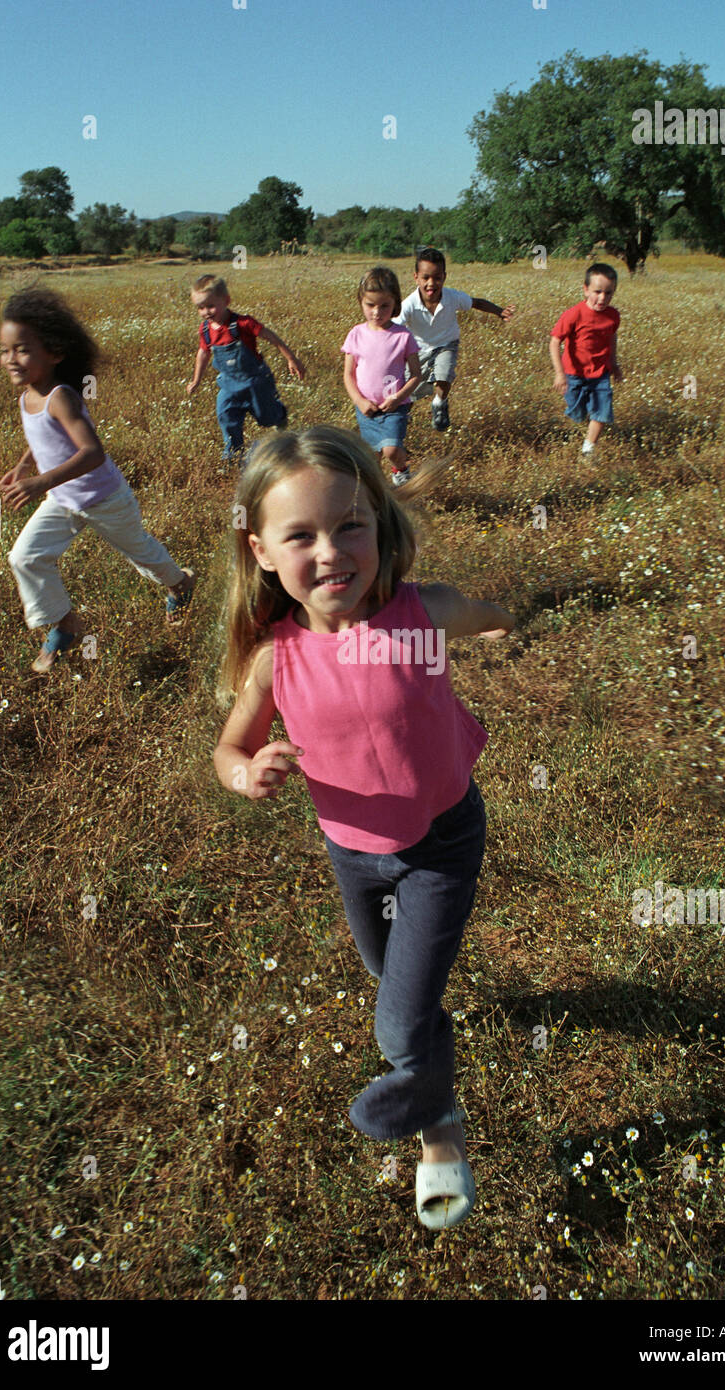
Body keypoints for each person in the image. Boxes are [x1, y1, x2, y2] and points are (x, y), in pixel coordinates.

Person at [213, 426, 515, 1228]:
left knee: (398, 1020)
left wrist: (504, 625)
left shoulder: (423, 615)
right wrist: (245, 773)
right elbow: (230, 746)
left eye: (350, 524)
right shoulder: (275, 658)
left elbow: (485, 614)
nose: (331, 551)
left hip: (442, 844)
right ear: (262, 552)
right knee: (397, 988)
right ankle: (423, 1039)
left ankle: (436, 1132)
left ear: (380, 524)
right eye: (301, 535)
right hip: (354, 856)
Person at [0, 289, 195, 675]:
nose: (11, 359)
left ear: (54, 353)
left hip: (104, 499)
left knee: (141, 553)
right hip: (63, 500)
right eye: (5, 350)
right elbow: (43, 439)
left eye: (22, 349)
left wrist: (39, 483)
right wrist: (25, 466)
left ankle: (180, 584)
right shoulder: (28, 396)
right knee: (24, 556)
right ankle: (66, 624)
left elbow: (92, 452)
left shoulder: (61, 397)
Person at [394, 246, 515, 431]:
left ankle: (439, 403)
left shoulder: (452, 297)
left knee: (444, 375)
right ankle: (401, 422)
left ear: (444, 276)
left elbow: (477, 302)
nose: (431, 283)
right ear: (416, 277)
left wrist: (499, 311)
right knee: (410, 393)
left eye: (437, 277)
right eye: (425, 278)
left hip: (446, 345)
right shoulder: (409, 305)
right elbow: (393, 329)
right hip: (418, 351)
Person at [187, 274, 305, 463]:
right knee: (226, 415)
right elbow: (203, 353)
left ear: (226, 300)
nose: (206, 312)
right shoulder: (205, 331)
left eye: (210, 306)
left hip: (255, 382)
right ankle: (233, 454)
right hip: (228, 384)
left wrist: (291, 358)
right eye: (200, 308)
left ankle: (279, 414)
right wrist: (196, 380)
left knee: (265, 419)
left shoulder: (243, 324)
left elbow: (271, 337)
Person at [341, 267, 422, 487]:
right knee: (372, 458)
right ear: (361, 302)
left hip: (395, 406)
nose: (377, 312)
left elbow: (417, 375)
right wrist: (359, 401)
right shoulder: (356, 334)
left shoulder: (403, 336)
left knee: (391, 449)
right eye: (370, 305)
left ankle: (401, 471)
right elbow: (348, 375)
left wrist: (398, 398)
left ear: (395, 303)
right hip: (366, 408)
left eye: (384, 306)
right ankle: (378, 495)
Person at [549, 263, 622, 455]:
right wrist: (559, 374)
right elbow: (555, 342)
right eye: (597, 291)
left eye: (609, 293)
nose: (602, 298)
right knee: (578, 414)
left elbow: (612, 336)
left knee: (601, 412)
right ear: (585, 289)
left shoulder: (613, 315)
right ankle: (580, 415)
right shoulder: (573, 314)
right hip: (573, 374)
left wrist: (613, 363)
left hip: (600, 374)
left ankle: (588, 451)